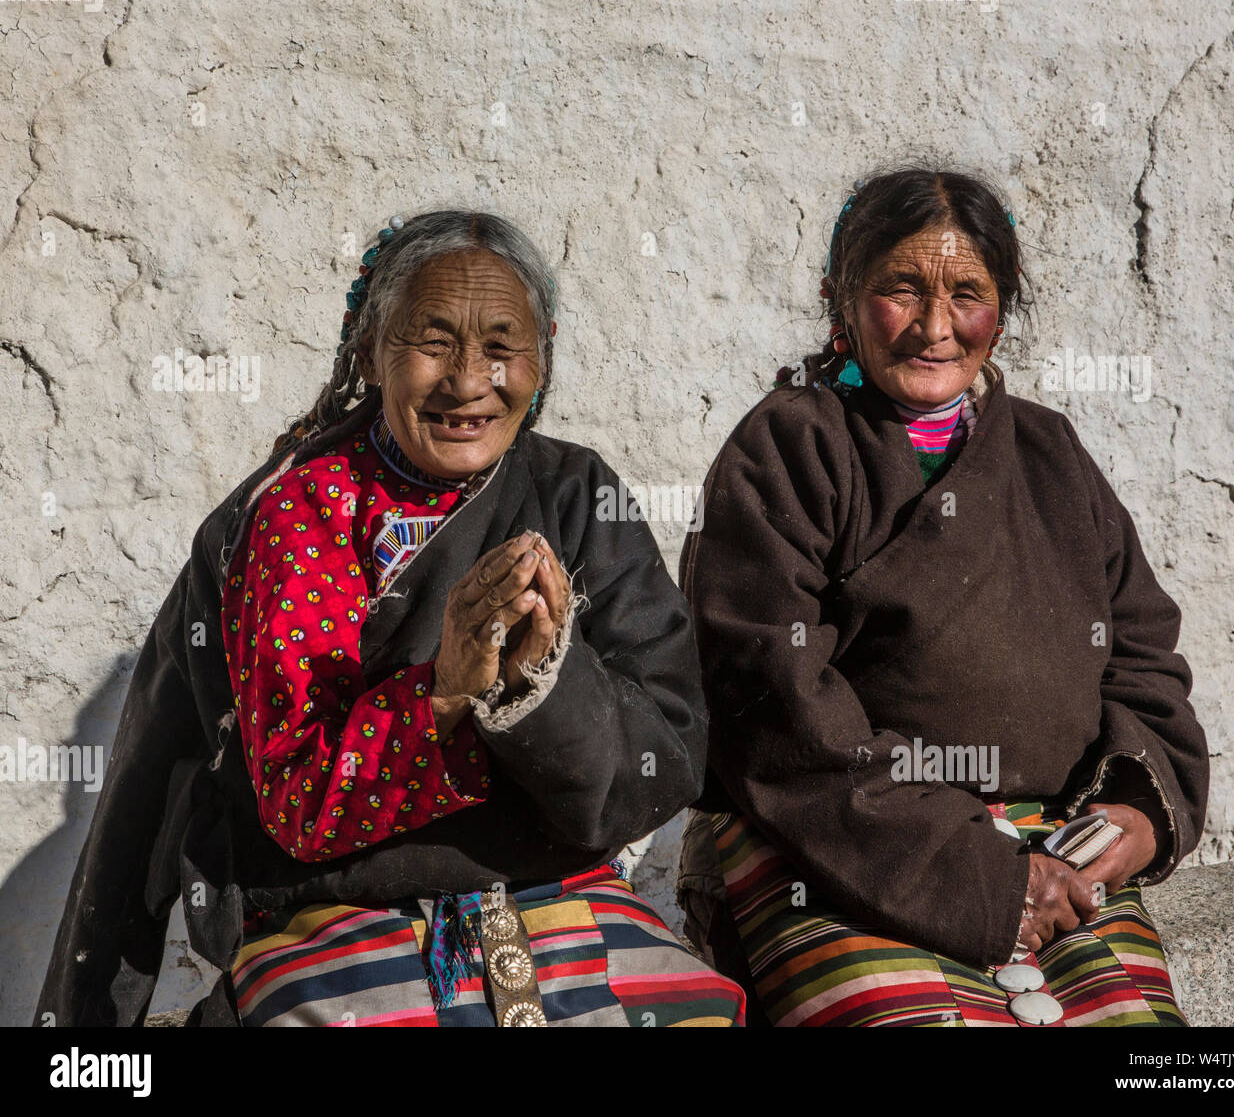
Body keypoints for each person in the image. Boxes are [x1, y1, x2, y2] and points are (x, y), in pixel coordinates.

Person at [37, 209, 743, 1028]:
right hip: (329, 920)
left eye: (502, 345)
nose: (470, 381)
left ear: (541, 352)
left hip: (558, 898)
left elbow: (666, 759)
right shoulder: (285, 521)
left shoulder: (578, 496)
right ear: (373, 347)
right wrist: (442, 694)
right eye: (434, 341)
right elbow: (170, 791)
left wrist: (543, 689)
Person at [676, 167, 1209, 1027]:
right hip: (835, 838)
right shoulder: (789, 446)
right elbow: (766, 696)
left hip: (1050, 840)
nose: (935, 327)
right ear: (840, 298)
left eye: (969, 293)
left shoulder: (1049, 453)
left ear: (1004, 308)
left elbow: (1142, 648)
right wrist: (974, 871)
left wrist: (1138, 808)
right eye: (900, 290)